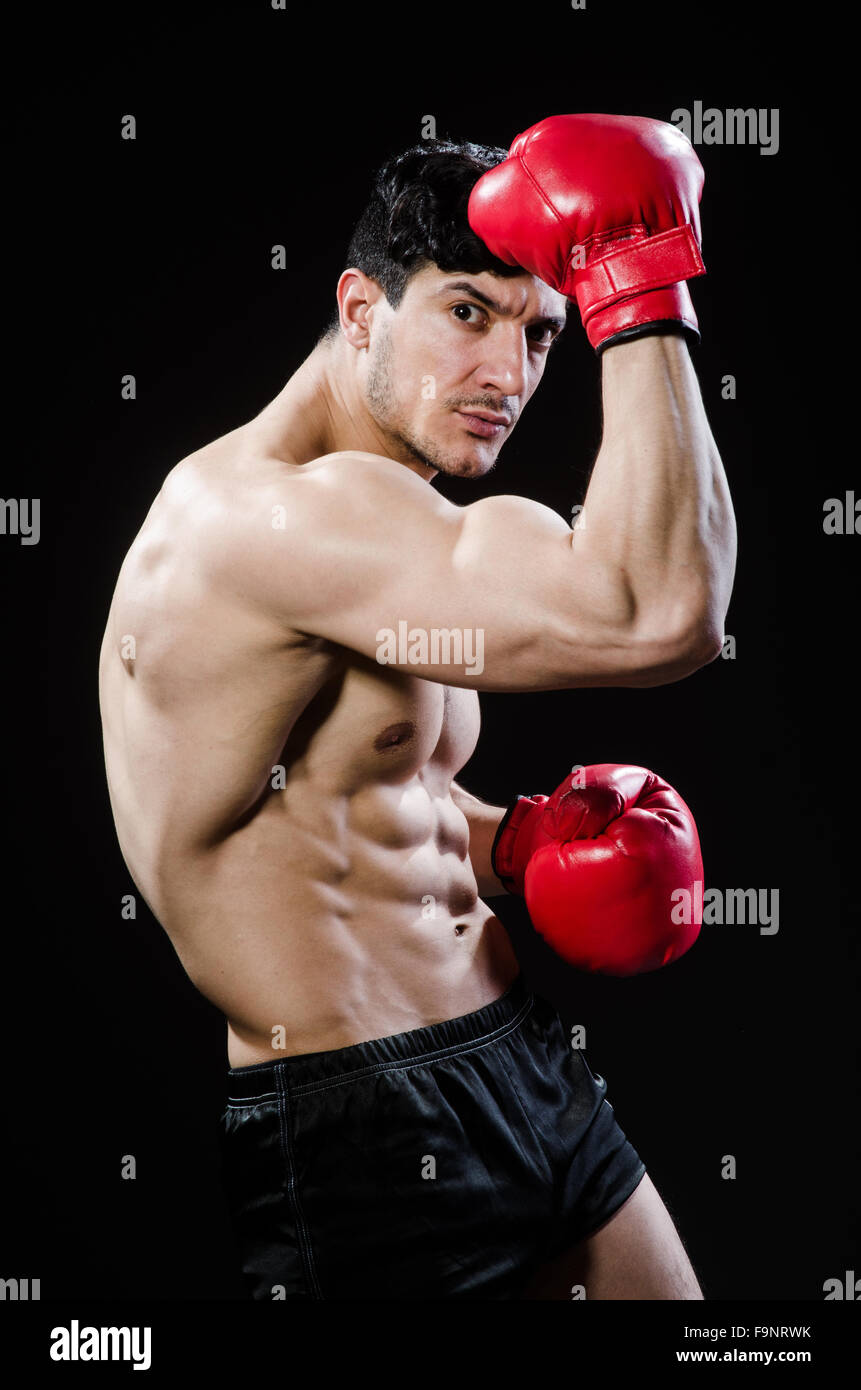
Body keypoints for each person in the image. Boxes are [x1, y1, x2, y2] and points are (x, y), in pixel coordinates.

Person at [98, 114, 736, 1299]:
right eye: (467, 313)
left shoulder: (391, 523)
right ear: (356, 309)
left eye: (544, 333)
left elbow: (359, 790)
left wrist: (522, 839)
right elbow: (661, 611)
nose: (510, 374)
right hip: (366, 1126)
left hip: (521, 1055)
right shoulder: (259, 523)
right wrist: (635, 279)